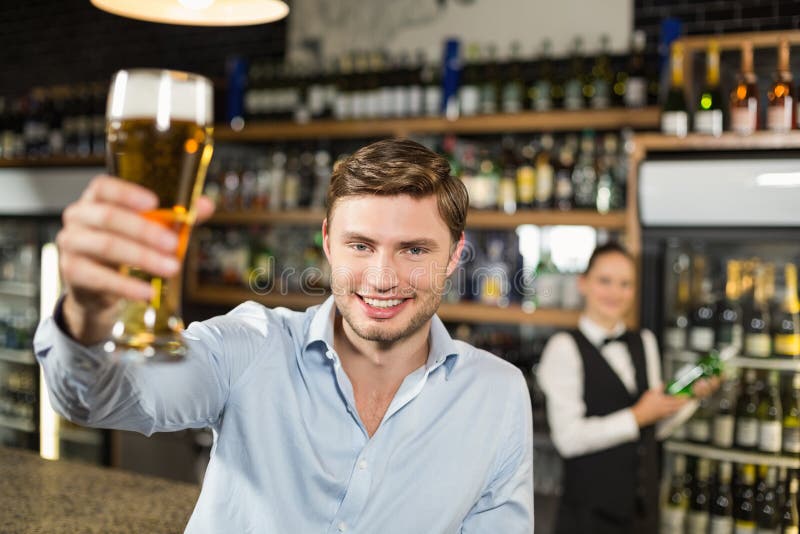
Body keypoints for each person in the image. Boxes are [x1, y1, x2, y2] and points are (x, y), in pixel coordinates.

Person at [34, 139, 534, 533]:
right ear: (327, 244)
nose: (382, 278)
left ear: (453, 256)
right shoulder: (252, 345)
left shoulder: (497, 391)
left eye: (415, 250)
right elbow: (100, 399)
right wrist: (84, 314)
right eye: (360, 245)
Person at [537, 242, 716, 534]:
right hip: (588, 519)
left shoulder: (644, 341)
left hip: (642, 515)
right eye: (604, 281)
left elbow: (653, 427)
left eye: (625, 284)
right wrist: (637, 416)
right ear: (583, 283)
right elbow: (568, 439)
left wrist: (691, 398)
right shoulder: (564, 348)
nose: (615, 293)